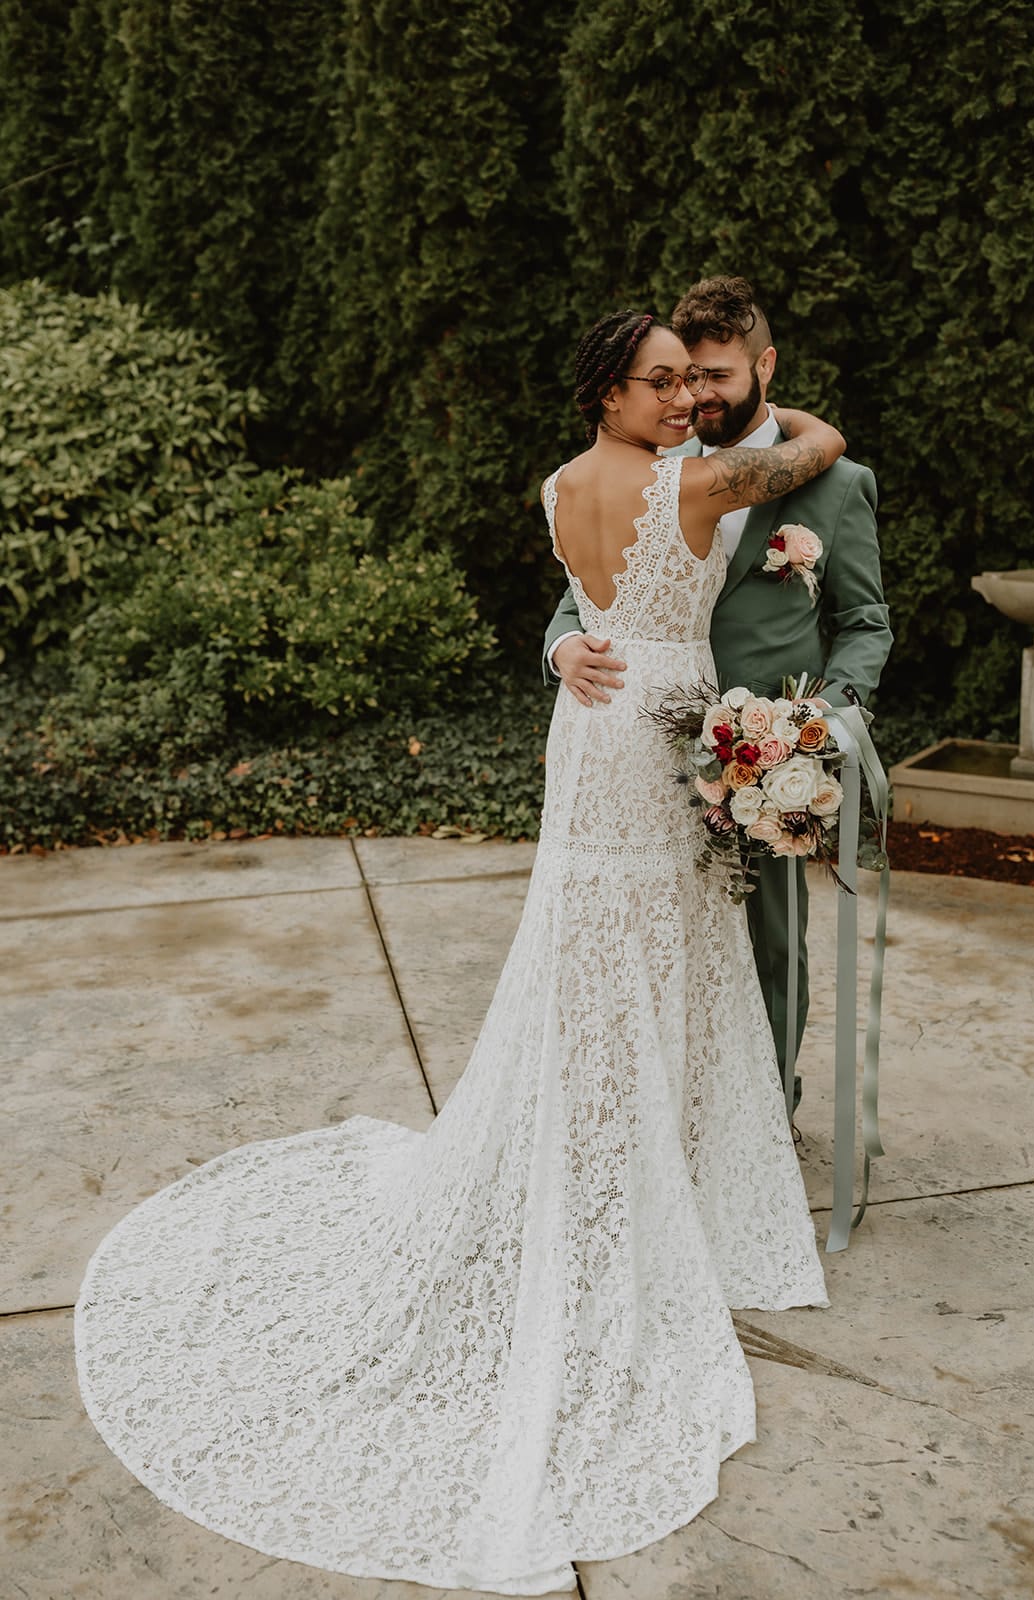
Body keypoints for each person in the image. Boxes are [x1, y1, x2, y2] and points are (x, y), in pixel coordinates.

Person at [76, 311, 840, 1597]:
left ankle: (629, 1140)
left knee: (601, 948)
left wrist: (566, 637)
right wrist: (762, 404)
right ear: (606, 392)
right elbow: (818, 441)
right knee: (641, 949)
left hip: (595, 736)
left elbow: (583, 589)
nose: (679, 399)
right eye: (658, 382)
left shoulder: (557, 487)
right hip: (649, 738)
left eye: (687, 381)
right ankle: (628, 1164)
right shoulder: (704, 478)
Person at [544, 277, 893, 1109]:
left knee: (770, 944)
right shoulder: (654, 467)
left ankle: (763, 1114)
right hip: (647, 749)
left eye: (713, 376)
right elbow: (591, 596)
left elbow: (866, 622)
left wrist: (820, 727)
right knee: (656, 937)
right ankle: (669, 1107)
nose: (695, 395)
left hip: (767, 755)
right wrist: (562, 647)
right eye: (677, 377)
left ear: (763, 366)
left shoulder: (837, 488)